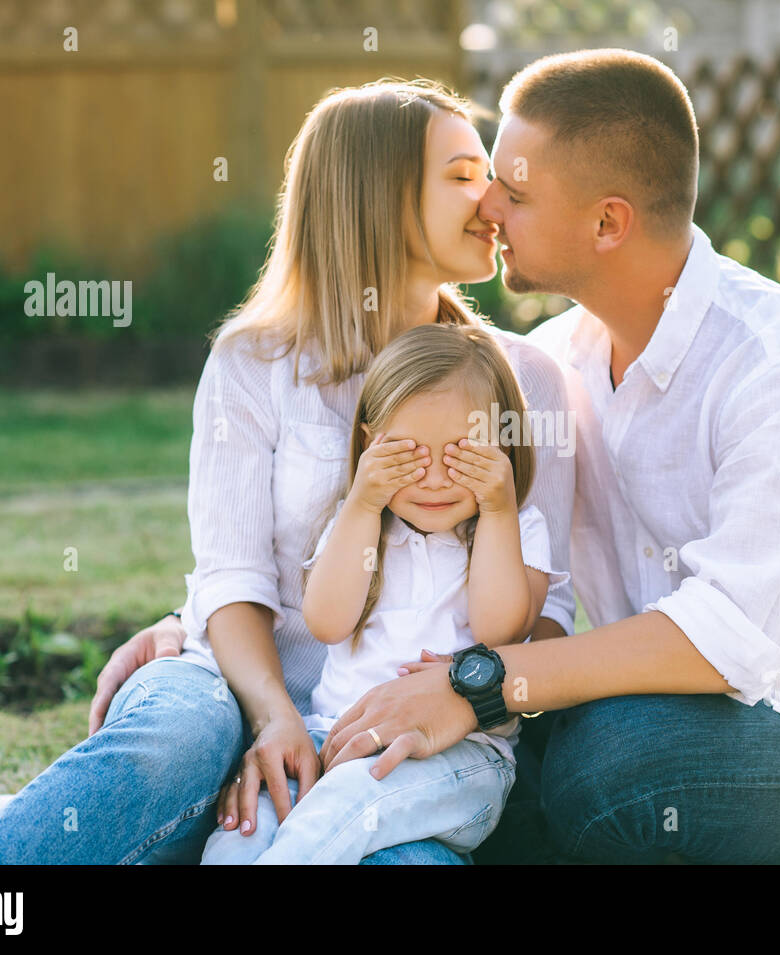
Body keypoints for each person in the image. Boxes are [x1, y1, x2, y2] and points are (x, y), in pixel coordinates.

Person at [98, 48, 780, 865]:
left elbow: (724, 639)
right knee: (490, 751)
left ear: (606, 221)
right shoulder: (553, 368)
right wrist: (198, 618)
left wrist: (477, 685)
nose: (487, 207)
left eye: (511, 189)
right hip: (685, 710)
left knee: (603, 762)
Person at [0, 79, 574, 865]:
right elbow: (233, 578)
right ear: (373, 195)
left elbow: (549, 610)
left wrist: (463, 691)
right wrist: (276, 715)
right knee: (169, 745)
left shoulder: (526, 380)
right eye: (460, 175)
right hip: (231, 677)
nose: (492, 197)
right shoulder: (256, 361)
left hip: (403, 719)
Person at [202, 323, 566, 864]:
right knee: (241, 839)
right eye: (410, 456)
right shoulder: (362, 527)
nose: (437, 479)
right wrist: (364, 504)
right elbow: (327, 621)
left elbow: (499, 631)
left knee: (343, 810)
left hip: (461, 759)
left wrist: (496, 507)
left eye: (464, 455)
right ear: (372, 446)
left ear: (503, 447)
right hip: (334, 741)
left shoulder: (517, 529)